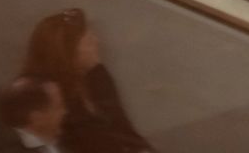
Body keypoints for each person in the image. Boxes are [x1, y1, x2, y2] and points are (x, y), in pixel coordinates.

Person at [22, 8, 154, 153]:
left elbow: (123, 129)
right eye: (89, 41)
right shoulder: (48, 100)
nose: (97, 43)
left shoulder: (95, 79)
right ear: (68, 51)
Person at [0, 76, 68, 153]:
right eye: (58, 107)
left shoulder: (60, 143)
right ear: (37, 118)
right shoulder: (9, 150)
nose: (64, 112)